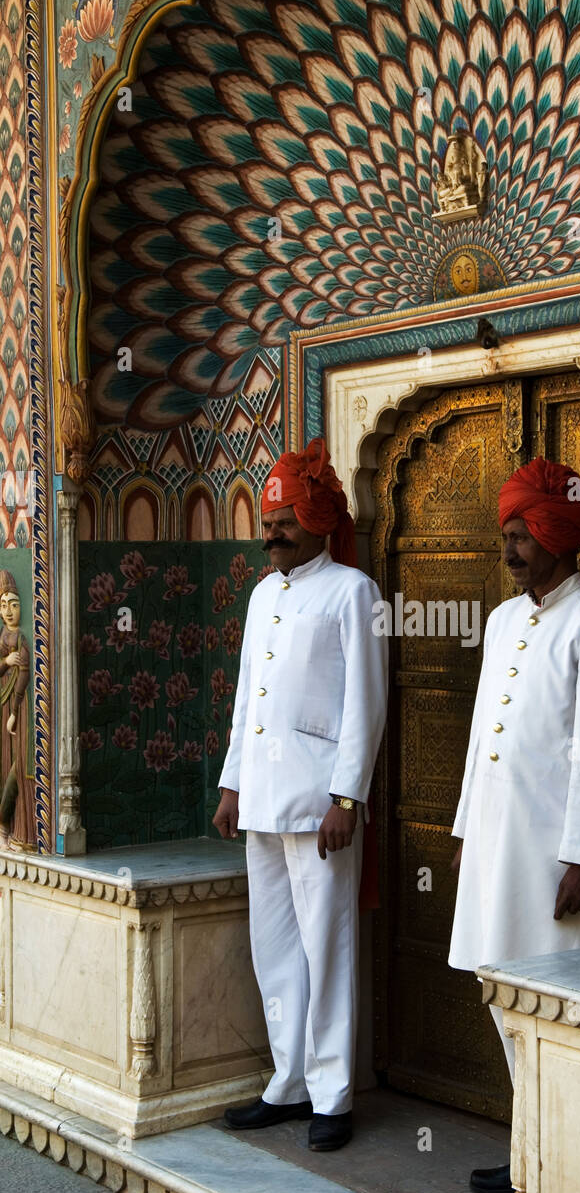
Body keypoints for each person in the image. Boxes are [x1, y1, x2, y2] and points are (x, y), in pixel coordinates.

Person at [449, 458, 580, 1193]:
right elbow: (481, 738)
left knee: (558, 1004)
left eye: (519, 537)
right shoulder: (503, 621)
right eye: (505, 536)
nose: (508, 552)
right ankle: (531, 1143)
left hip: (553, 856)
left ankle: (564, 1155)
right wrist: (468, 828)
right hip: (495, 847)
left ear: (556, 538)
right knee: (502, 992)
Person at [213, 438, 388, 1151]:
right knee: (275, 946)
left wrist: (346, 798)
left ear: (319, 521)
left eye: (284, 520)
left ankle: (333, 1094)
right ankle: (285, 1082)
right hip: (259, 797)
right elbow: (245, 700)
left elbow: (365, 704)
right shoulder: (261, 596)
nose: (271, 532)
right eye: (268, 520)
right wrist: (231, 781)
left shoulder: (354, 591)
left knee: (327, 943)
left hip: (321, 806)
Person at [0, 571, 35, 851]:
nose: (9, 610)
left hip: (19, 711)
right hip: (5, 705)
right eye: (3, 605)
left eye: (14, 604)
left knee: (20, 765)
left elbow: (24, 674)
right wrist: (5, 661)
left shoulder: (22, 637)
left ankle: (8, 824)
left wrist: (14, 710)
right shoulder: (4, 636)